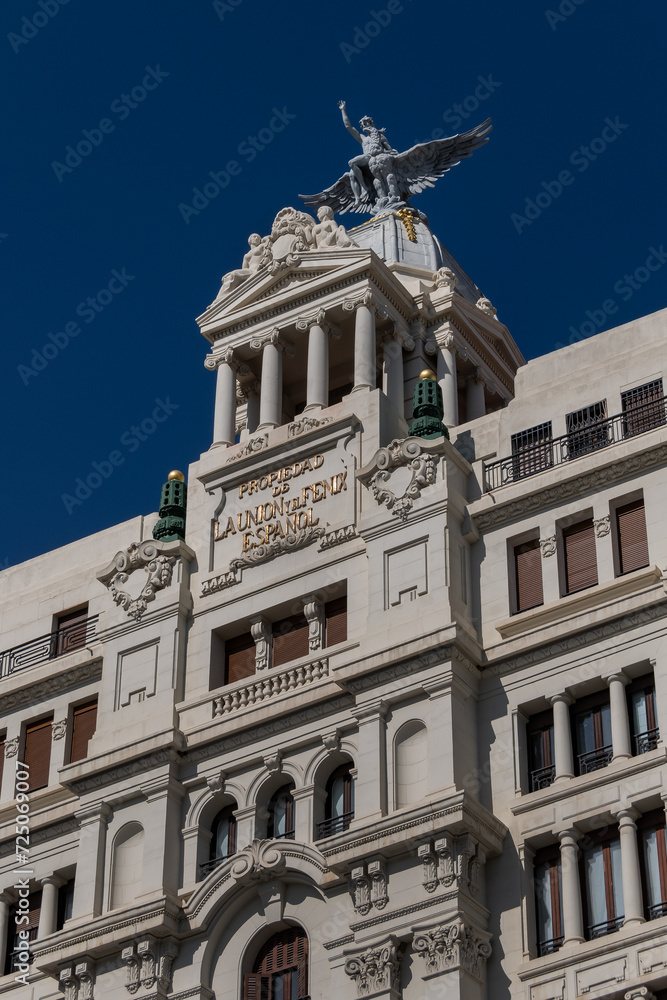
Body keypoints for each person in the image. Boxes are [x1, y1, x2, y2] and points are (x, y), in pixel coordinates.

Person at [338, 100, 398, 203]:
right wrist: (343, 110)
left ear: (371, 124)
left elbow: (389, 149)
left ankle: (386, 194)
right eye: (363, 124)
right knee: (351, 168)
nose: (365, 125)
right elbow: (348, 126)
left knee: (383, 180)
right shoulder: (362, 138)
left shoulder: (380, 136)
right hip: (367, 158)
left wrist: (391, 153)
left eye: (367, 123)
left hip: (378, 158)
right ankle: (363, 188)